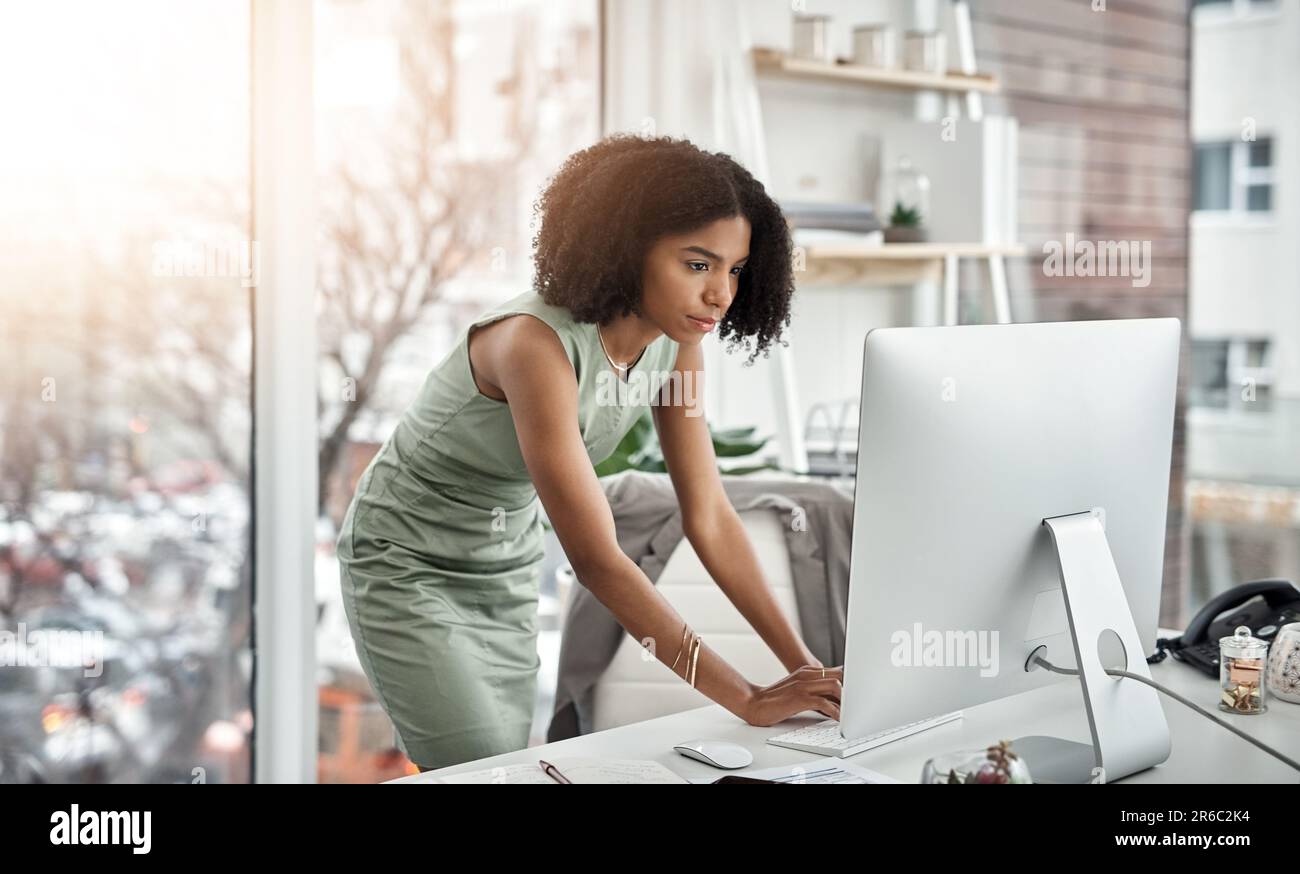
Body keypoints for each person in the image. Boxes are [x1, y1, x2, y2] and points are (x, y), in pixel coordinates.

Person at [336, 134, 843, 773]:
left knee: (503, 767)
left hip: (504, 564)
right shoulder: (534, 345)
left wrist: (805, 670)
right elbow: (598, 561)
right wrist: (747, 699)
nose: (721, 293)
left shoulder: (676, 345)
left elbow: (708, 514)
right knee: (486, 770)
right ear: (628, 250)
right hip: (407, 566)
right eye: (697, 264)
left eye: (735, 269)